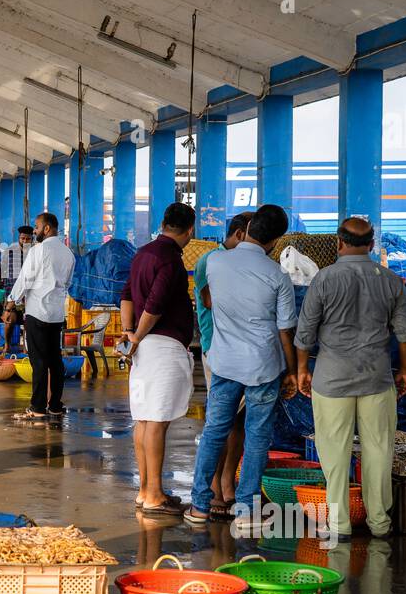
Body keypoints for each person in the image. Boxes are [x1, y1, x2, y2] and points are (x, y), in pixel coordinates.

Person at [295, 217, 406, 542]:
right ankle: (379, 522)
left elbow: (305, 330)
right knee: (379, 448)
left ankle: (339, 524)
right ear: (373, 245)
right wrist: (404, 370)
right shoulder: (390, 280)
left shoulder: (324, 279)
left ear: (339, 243)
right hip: (377, 378)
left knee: (334, 451)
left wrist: (302, 369)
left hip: (332, 379)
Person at [185, 204, 297, 532]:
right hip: (263, 365)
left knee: (215, 431)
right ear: (276, 240)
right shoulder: (278, 275)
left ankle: (199, 506)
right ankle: (247, 510)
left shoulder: (216, 262)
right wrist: (291, 372)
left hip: (223, 362)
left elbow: (205, 299)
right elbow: (285, 331)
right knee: (257, 435)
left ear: (247, 231)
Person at [119, 202, 196, 517]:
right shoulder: (170, 260)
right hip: (161, 346)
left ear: (164, 223)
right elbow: (155, 304)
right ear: (190, 230)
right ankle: (153, 494)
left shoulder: (143, 253)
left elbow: (126, 295)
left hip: (144, 347)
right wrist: (137, 334)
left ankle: (144, 491)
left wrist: (129, 333)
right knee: (156, 421)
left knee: (144, 418)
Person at [193, 211, 254, 519]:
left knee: (239, 423)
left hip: (242, 353)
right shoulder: (211, 261)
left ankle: (228, 481)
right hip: (218, 350)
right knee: (221, 421)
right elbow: (209, 300)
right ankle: (215, 486)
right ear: (240, 235)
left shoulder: (237, 263)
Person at [7, 212, 75, 420]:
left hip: (37, 312)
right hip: (56, 314)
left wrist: (10, 303)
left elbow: (25, 279)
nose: (34, 231)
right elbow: (68, 284)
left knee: (38, 362)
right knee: (55, 361)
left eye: (36, 227)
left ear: (47, 228)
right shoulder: (68, 254)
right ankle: (55, 405)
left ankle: (37, 408)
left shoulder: (39, 250)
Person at [3, 225, 34, 292]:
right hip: (11, 288)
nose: (25, 241)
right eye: (22, 238)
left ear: (32, 239)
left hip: (29, 290)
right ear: (18, 238)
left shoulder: (35, 252)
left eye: (28, 239)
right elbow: (0, 267)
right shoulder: (10, 249)